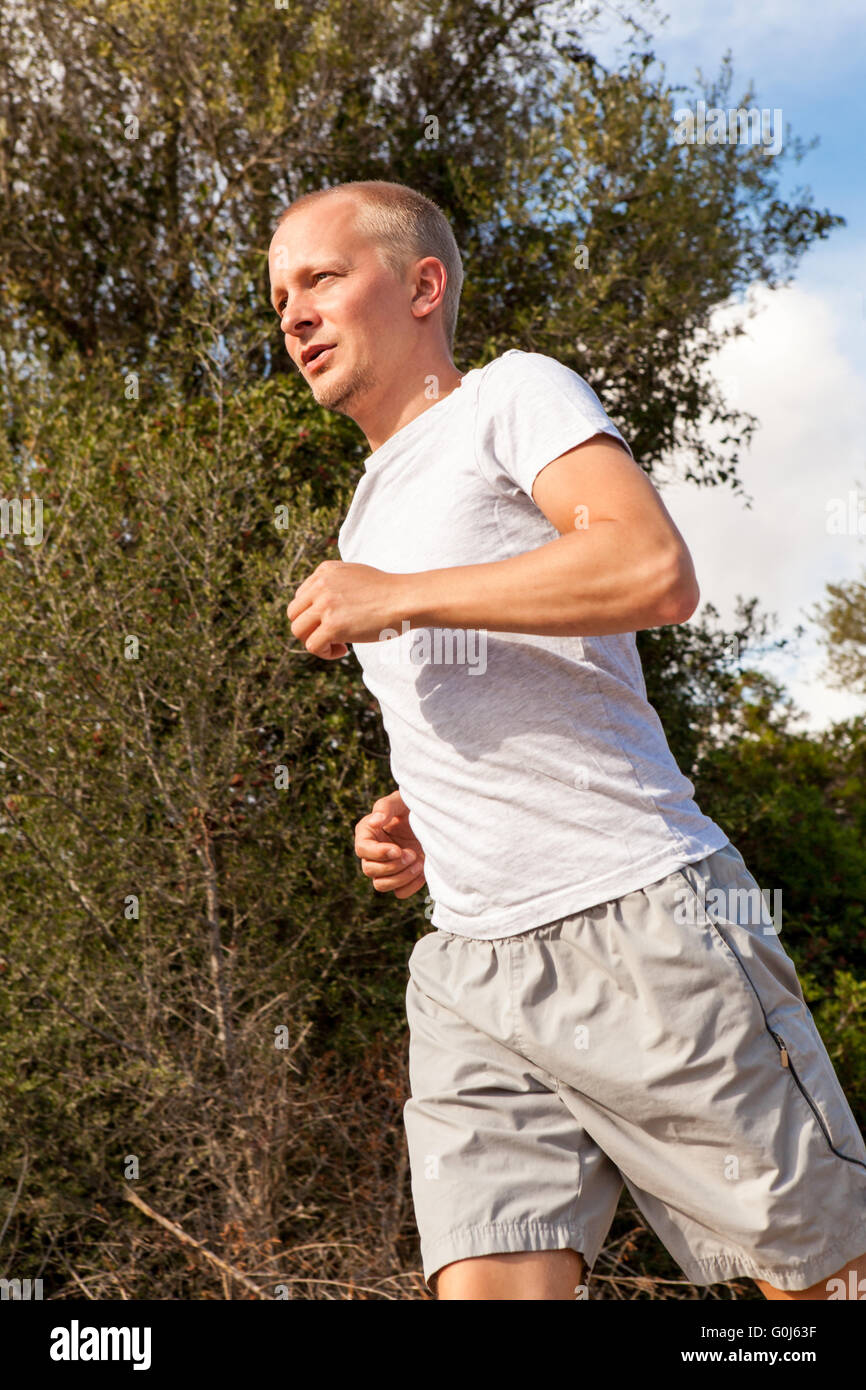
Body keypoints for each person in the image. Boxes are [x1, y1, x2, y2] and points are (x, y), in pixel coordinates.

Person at [269, 178, 866, 1302]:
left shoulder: (511, 397)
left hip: (636, 919)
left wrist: (395, 596)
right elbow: (506, 700)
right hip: (468, 963)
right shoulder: (366, 508)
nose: (291, 313)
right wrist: (419, 827)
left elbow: (648, 567)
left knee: (822, 1285)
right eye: (278, 294)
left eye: (321, 278)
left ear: (421, 286)